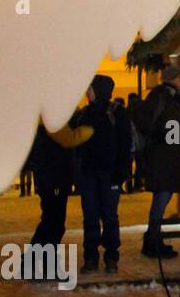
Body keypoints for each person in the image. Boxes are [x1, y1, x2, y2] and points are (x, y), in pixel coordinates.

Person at [131, 65, 180, 259]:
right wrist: (167, 139)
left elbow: (175, 132)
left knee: (163, 198)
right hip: (161, 158)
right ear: (171, 80)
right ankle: (153, 241)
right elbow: (168, 130)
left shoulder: (170, 100)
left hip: (166, 157)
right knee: (161, 199)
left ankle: (153, 239)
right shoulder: (162, 99)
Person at [69, 75, 132, 274]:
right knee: (90, 216)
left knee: (109, 216)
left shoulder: (116, 113)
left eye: (90, 88)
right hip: (89, 174)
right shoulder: (84, 114)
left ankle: (111, 257)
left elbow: (125, 143)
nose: (87, 91)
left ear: (99, 89)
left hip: (109, 174)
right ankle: (91, 257)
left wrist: (122, 171)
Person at [26, 120, 91, 251]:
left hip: (52, 178)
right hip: (54, 179)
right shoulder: (52, 123)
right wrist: (90, 128)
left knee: (51, 221)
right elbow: (70, 139)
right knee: (54, 223)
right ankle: (36, 260)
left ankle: (40, 260)